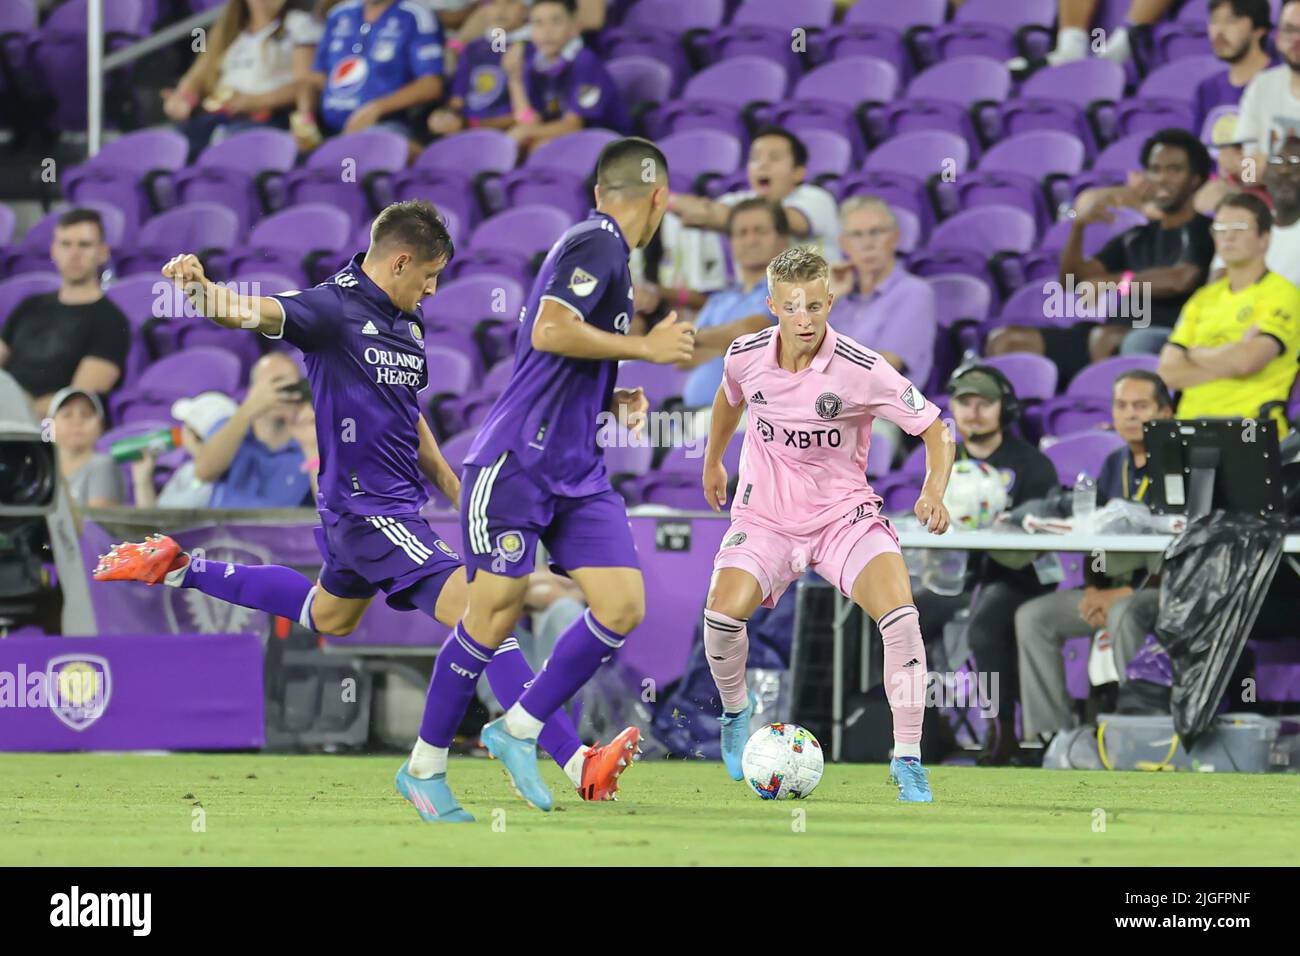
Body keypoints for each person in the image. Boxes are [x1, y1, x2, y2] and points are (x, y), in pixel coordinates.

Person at [94, 200, 645, 820]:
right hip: (368, 513)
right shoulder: (331, 308)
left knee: (329, 614)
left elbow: (411, 420)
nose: (433, 290)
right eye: (429, 276)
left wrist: (454, 489)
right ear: (401, 260)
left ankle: (178, 565)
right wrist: (201, 290)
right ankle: (574, 761)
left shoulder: (408, 328)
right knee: (485, 610)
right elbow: (250, 310)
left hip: (384, 509)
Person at [415, 137, 696, 814]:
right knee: (490, 618)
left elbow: (563, 358)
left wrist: (613, 392)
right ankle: (425, 769)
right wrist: (646, 349)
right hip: (517, 463)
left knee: (622, 604)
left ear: (603, 190)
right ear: (659, 199)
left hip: (576, 469)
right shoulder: (596, 241)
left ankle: (520, 726)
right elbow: (548, 330)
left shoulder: (609, 254)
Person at [698, 246, 954, 802]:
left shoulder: (862, 368)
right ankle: (737, 712)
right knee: (721, 614)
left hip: (843, 518)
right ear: (772, 305)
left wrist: (933, 490)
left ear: (830, 301)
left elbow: (937, 428)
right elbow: (728, 399)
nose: (806, 319)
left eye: (816, 306)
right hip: (766, 516)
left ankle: (907, 757)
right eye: (793, 308)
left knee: (903, 618)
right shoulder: (744, 355)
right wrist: (714, 458)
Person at [912, 365, 1062, 765]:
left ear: (1005, 408)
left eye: (985, 403)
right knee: (904, 619)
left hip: (1020, 577)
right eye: (964, 402)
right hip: (958, 578)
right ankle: (925, 731)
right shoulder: (940, 460)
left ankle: (1004, 730)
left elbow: (1047, 529)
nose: (974, 411)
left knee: (985, 623)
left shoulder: (1032, 464)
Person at [1014, 370, 1174, 743]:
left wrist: (1122, 595)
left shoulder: (1180, 465)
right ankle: (1056, 739)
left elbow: (1185, 547)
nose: (1130, 414)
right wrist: (1091, 589)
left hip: (1166, 591)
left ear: (1165, 413)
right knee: (1034, 617)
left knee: (1124, 612)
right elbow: (1093, 535)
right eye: (1122, 406)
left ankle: (1138, 735)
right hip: (1112, 590)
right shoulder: (1114, 462)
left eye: (1141, 405)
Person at [990, 129, 1215, 376]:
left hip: (1161, 336)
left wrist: (1114, 282)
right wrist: (1078, 228)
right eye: (1155, 169)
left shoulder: (1202, 230)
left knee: (1106, 338)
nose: (1161, 178)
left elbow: (1179, 280)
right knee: (1006, 340)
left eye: (1174, 170)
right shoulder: (1136, 236)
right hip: (1109, 331)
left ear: (1195, 179)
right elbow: (1071, 282)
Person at [644, 126, 841, 310]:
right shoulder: (743, 200)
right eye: (755, 158)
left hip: (816, 304)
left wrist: (716, 215)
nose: (763, 164)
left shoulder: (815, 198)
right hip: (761, 301)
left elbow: (779, 220)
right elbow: (698, 214)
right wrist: (657, 196)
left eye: (774, 158)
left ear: (799, 172)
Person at [1157, 192, 1300, 436]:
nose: (1228, 236)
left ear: (1264, 238)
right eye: (1221, 228)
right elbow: (1168, 373)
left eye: (1239, 227)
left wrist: (1193, 353)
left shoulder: (1284, 294)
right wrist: (1230, 357)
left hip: (1251, 427)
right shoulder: (1202, 299)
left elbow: (1247, 361)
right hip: (1189, 425)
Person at [0, 208, 130, 423]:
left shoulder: (111, 321)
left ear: (103, 253)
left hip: (48, 435)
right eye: (66, 244)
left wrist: (13, 408)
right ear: (53, 250)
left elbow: (74, 405)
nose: (74, 254)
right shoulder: (29, 306)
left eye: (84, 245)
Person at [162, 0, 319, 159]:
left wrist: (254, 101)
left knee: (227, 139)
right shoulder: (227, 29)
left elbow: (307, 85)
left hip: (271, 117)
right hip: (221, 116)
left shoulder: (298, 23)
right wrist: (182, 98)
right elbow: (198, 74)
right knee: (173, 143)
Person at [679, 198, 788, 409]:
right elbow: (682, 357)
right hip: (693, 414)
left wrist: (699, 337)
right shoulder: (719, 300)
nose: (751, 240)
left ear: (782, 239)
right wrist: (731, 346)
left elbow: (752, 330)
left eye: (760, 231)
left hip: (753, 416)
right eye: (742, 233)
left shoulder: (788, 290)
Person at [295, 0, 445, 148]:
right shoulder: (339, 14)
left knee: (365, 151)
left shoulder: (414, 15)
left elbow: (432, 85)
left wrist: (377, 108)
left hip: (387, 126)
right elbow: (315, 78)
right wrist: (305, 118)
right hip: (328, 128)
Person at [830, 195, 937, 388]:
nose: (867, 243)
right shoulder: (838, 297)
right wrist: (825, 299)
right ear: (844, 244)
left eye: (876, 232)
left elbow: (883, 369)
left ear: (895, 238)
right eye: (856, 235)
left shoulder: (914, 293)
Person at [498, 0, 629, 151]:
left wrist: (526, 131)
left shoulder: (585, 62)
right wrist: (515, 80)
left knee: (539, 147)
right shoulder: (534, 63)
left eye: (556, 22)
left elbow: (573, 125)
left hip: (607, 142)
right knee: (522, 145)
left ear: (574, 27)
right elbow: (528, 119)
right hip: (566, 135)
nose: (547, 31)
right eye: (538, 23)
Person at [194, 352, 315, 509]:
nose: (282, 393)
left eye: (290, 386)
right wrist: (247, 410)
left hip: (281, 532)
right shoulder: (230, 427)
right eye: (274, 385)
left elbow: (332, 511)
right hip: (224, 530)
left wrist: (311, 447)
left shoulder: (309, 438)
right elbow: (204, 473)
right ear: (253, 391)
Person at [426, 0, 528, 136]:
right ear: (483, 10)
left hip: (508, 130)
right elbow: (457, 100)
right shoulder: (472, 48)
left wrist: (471, 125)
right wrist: (446, 117)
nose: (501, 10)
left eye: (510, 2)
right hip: (468, 127)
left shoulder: (530, 48)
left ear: (526, 9)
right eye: (493, 3)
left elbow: (527, 115)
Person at [130, 392, 240, 509]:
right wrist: (143, 481)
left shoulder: (215, 483)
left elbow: (160, 525)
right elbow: (155, 522)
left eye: (185, 424)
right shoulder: (188, 470)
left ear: (193, 436)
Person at [1007, 0, 1176, 72]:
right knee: (1099, 38)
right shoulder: (1099, 36)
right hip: (1100, 37)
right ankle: (1071, 47)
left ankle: (1118, 48)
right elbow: (1099, 34)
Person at [1235, 0, 1300, 174]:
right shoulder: (1262, 85)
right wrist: (1250, 172)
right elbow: (1246, 170)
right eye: (1289, 30)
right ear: (1278, 37)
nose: (1297, 39)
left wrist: (1269, 166)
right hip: (1266, 195)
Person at [1193, 0, 1276, 135]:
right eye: (1214, 21)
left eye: (1231, 20)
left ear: (1259, 30)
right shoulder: (1207, 88)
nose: (1219, 30)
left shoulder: (1284, 83)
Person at [49, 387, 124, 509]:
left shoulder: (103, 464)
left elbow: (96, 524)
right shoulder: (44, 468)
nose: (77, 421)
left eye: (86, 415)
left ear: (101, 426)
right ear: (50, 427)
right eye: (67, 415)